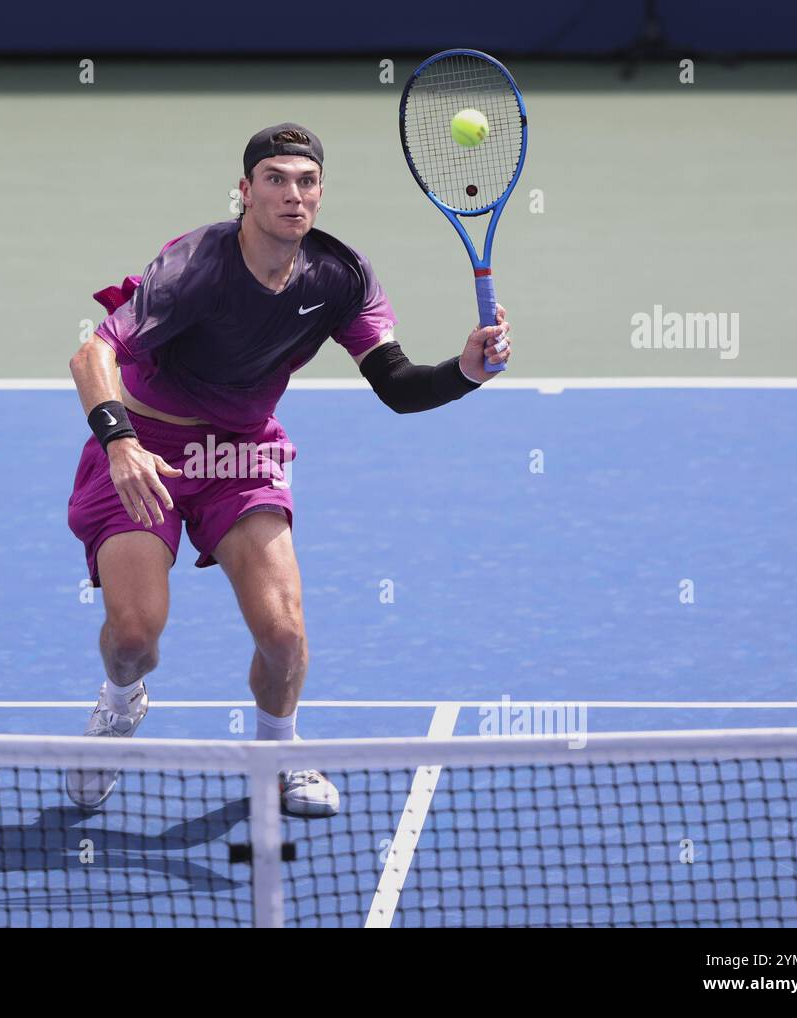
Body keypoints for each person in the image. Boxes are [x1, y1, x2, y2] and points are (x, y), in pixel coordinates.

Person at [66, 123, 511, 816]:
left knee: (283, 634)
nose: (292, 194)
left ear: (321, 195)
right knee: (133, 636)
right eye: (274, 179)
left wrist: (465, 372)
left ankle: (278, 755)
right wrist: (119, 443)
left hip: (240, 454)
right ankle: (121, 702)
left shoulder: (340, 276)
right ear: (245, 192)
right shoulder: (193, 266)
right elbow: (91, 355)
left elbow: (396, 385)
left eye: (306, 182)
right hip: (146, 445)